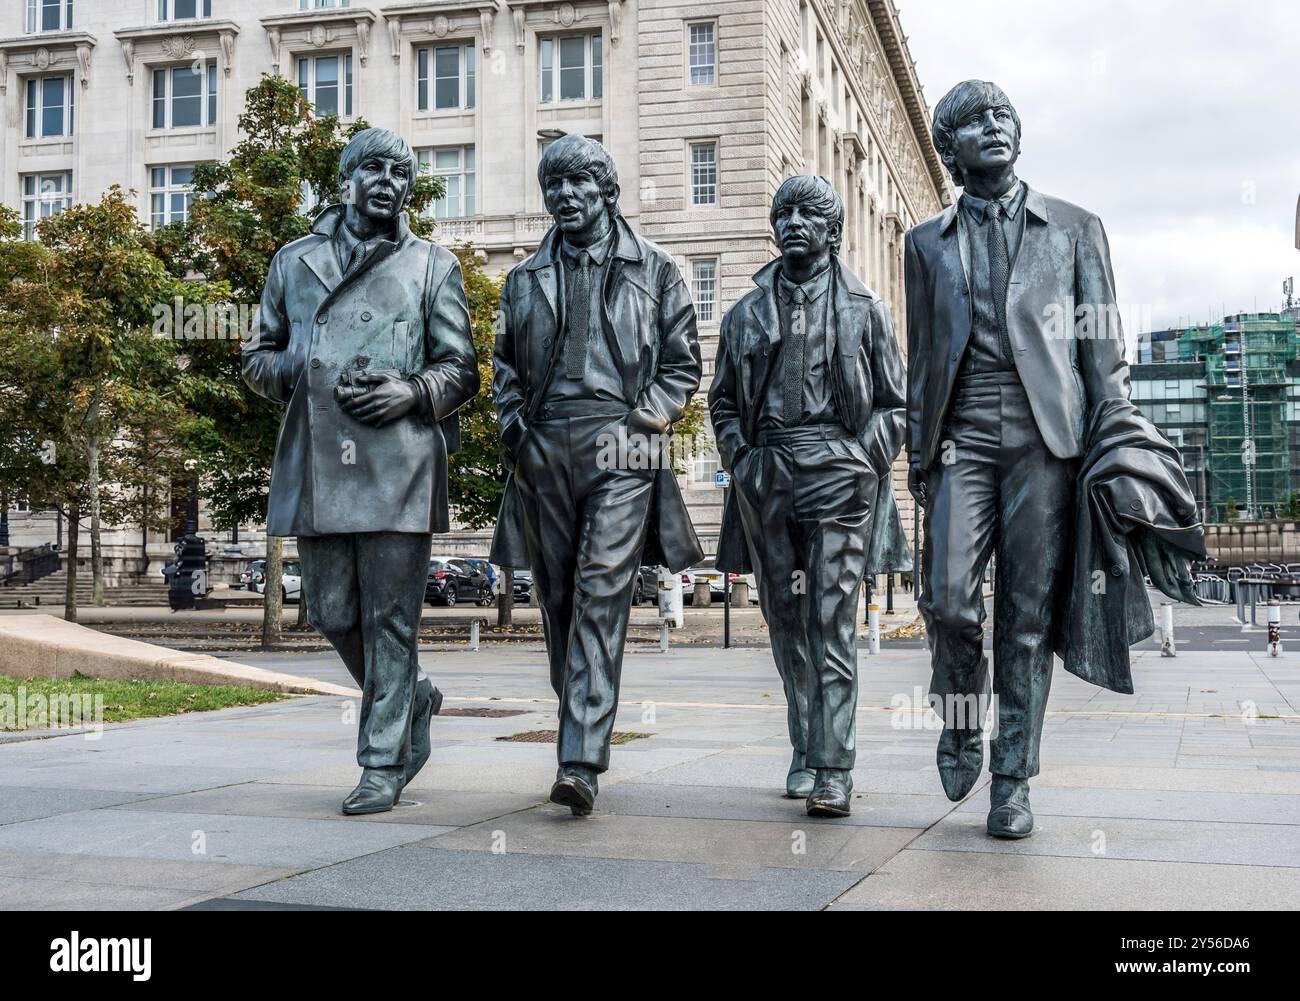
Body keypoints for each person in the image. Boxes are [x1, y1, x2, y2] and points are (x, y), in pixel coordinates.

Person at [243, 128, 478, 815]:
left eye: (399, 172)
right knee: (330, 609)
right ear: (345, 180)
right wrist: (306, 366)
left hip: (398, 460)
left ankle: (383, 759)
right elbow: (258, 355)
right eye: (371, 167)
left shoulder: (433, 264)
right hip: (319, 459)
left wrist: (411, 391)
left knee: (391, 618)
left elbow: (460, 368)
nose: (386, 180)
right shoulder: (294, 260)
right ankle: (415, 696)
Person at [490, 135, 703, 815]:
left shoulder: (659, 269)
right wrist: (513, 431)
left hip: (626, 446)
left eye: (578, 183)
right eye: (553, 185)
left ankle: (579, 757)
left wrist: (646, 420)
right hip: (545, 444)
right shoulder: (524, 278)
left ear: (607, 192)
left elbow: (682, 366)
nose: (563, 196)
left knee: (601, 592)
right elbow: (503, 370)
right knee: (556, 599)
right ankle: (579, 714)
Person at [710, 176, 908, 817]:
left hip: (839, 473)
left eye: (810, 213)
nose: (795, 221)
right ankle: (804, 744)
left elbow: (896, 405)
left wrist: (864, 459)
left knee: (831, 622)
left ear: (833, 230)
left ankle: (833, 766)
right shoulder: (745, 313)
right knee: (787, 622)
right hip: (768, 474)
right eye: (785, 212)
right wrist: (742, 460)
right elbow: (722, 404)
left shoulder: (865, 309)